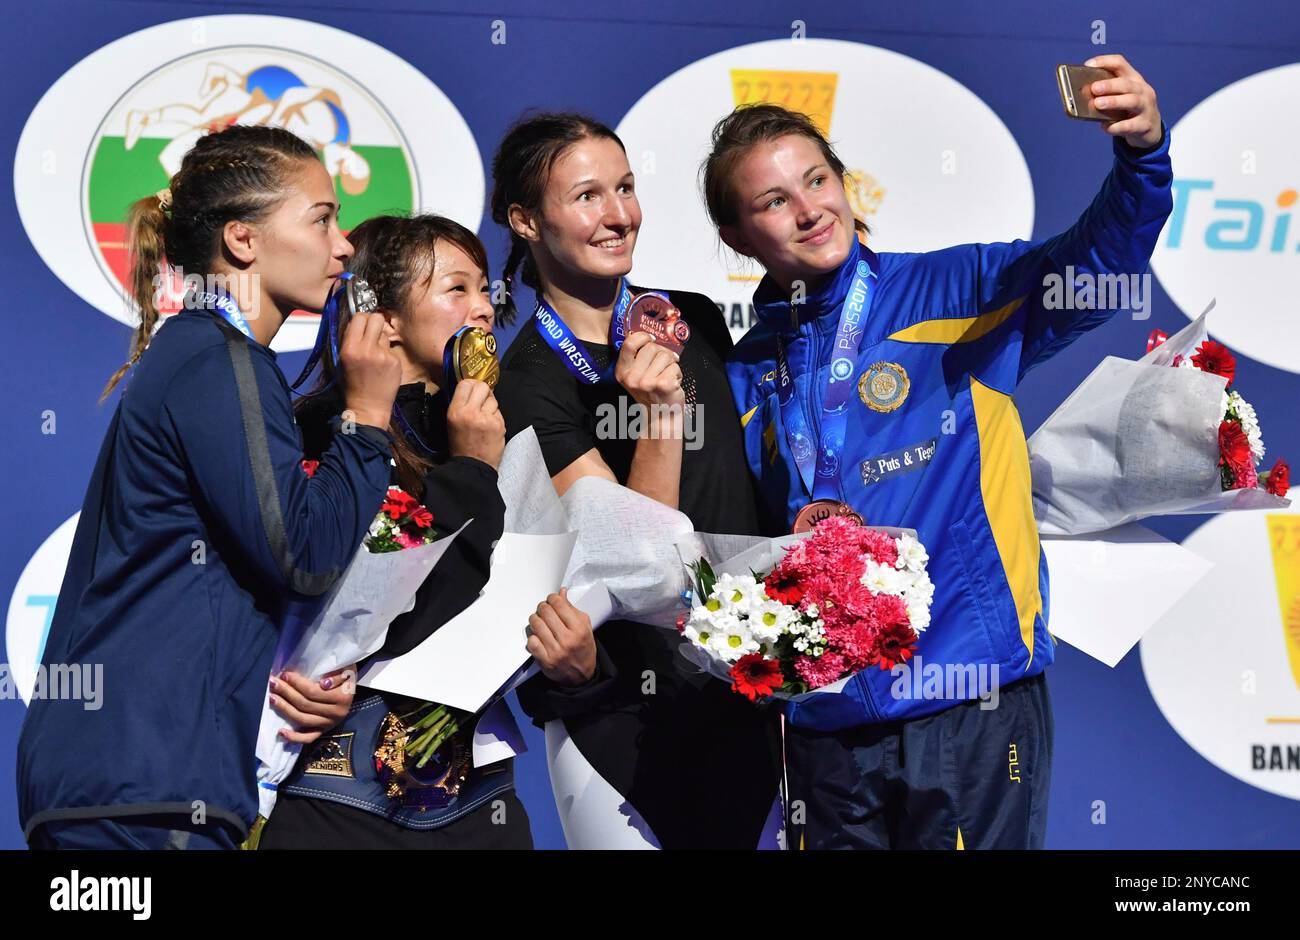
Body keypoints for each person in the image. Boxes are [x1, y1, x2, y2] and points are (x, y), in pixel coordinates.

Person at [705, 54, 1172, 849]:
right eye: (773, 201)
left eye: (817, 181)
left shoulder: (955, 291)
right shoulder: (747, 370)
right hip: (826, 728)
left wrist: (1142, 153)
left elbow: (1101, 262)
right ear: (737, 235)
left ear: (844, 181)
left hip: (970, 705)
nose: (809, 211)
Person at [17, 125, 401, 850]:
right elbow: (304, 554)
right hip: (142, 788)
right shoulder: (219, 362)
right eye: (321, 219)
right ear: (243, 242)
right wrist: (370, 418)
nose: (343, 244)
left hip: (128, 783)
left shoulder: (203, 357)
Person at [259, 214, 599, 849]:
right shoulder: (323, 430)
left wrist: (576, 657)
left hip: (478, 797)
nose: (484, 310)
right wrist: (471, 468)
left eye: (487, 290)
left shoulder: (503, 421)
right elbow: (394, 605)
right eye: (457, 290)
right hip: (339, 798)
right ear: (385, 318)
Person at [491, 111, 782, 849]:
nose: (619, 215)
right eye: (588, 196)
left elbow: (746, 482)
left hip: (745, 687)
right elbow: (636, 558)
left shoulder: (696, 321)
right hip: (619, 710)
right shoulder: (525, 383)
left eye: (625, 187)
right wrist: (659, 417)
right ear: (525, 219)